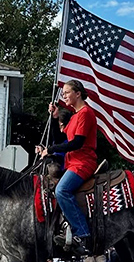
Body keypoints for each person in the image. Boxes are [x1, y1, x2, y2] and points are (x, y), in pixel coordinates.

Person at [36, 79, 98, 247]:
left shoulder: (85, 113)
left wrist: (51, 149)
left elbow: (77, 143)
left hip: (83, 162)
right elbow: (61, 140)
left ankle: (83, 233)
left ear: (78, 93)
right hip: (72, 163)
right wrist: (56, 117)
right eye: (63, 93)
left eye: (67, 92)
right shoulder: (75, 116)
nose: (63, 95)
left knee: (61, 190)